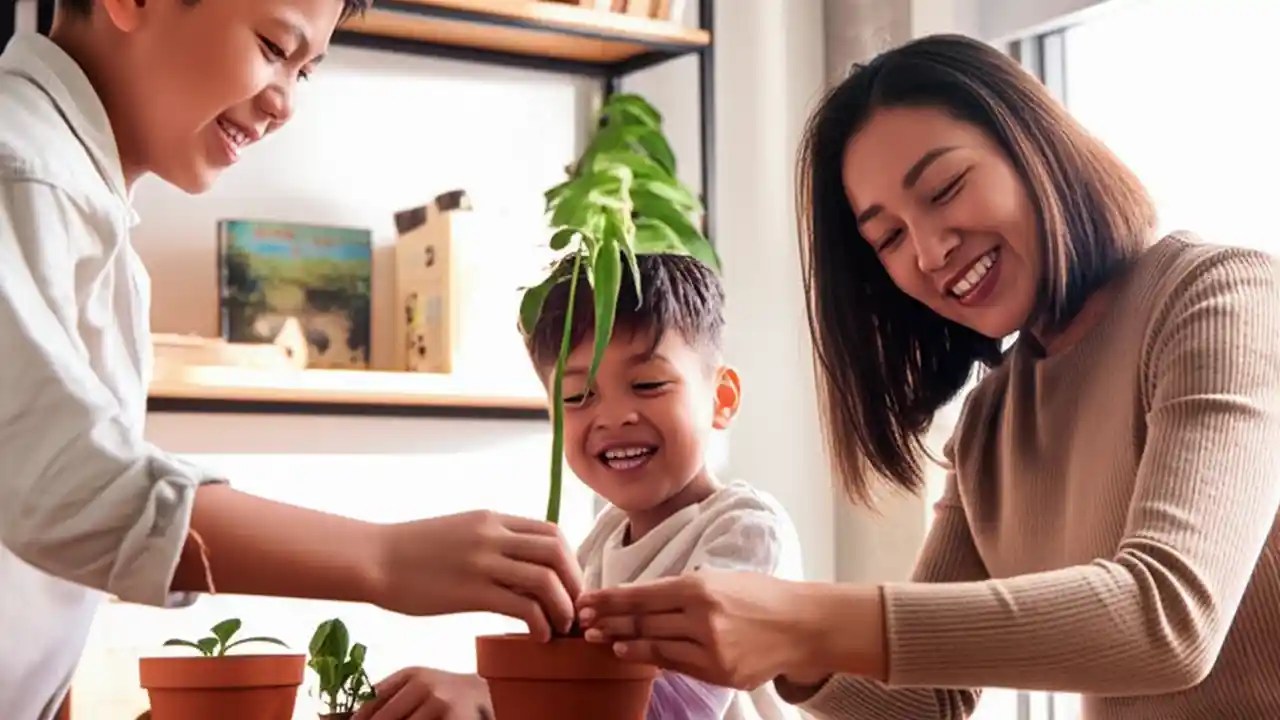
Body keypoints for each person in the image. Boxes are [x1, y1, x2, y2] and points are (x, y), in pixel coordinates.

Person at [574, 32, 1280, 719]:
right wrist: (781, 647)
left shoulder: (1218, 298)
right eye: (887, 237)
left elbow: (1170, 621)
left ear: (1032, 146)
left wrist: (804, 620)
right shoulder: (991, 423)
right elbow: (927, 698)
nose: (931, 250)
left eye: (945, 189)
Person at [0, 3, 582, 719]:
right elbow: (68, 491)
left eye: (305, 70)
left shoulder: (80, 201)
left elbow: (41, 559)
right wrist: (386, 561)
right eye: (275, 46)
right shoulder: (23, 170)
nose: (285, 104)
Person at [352, 253, 807, 720]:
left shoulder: (746, 532)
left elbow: (679, 707)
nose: (612, 417)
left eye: (648, 384)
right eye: (576, 396)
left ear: (722, 397)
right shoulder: (600, 543)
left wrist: (500, 698)